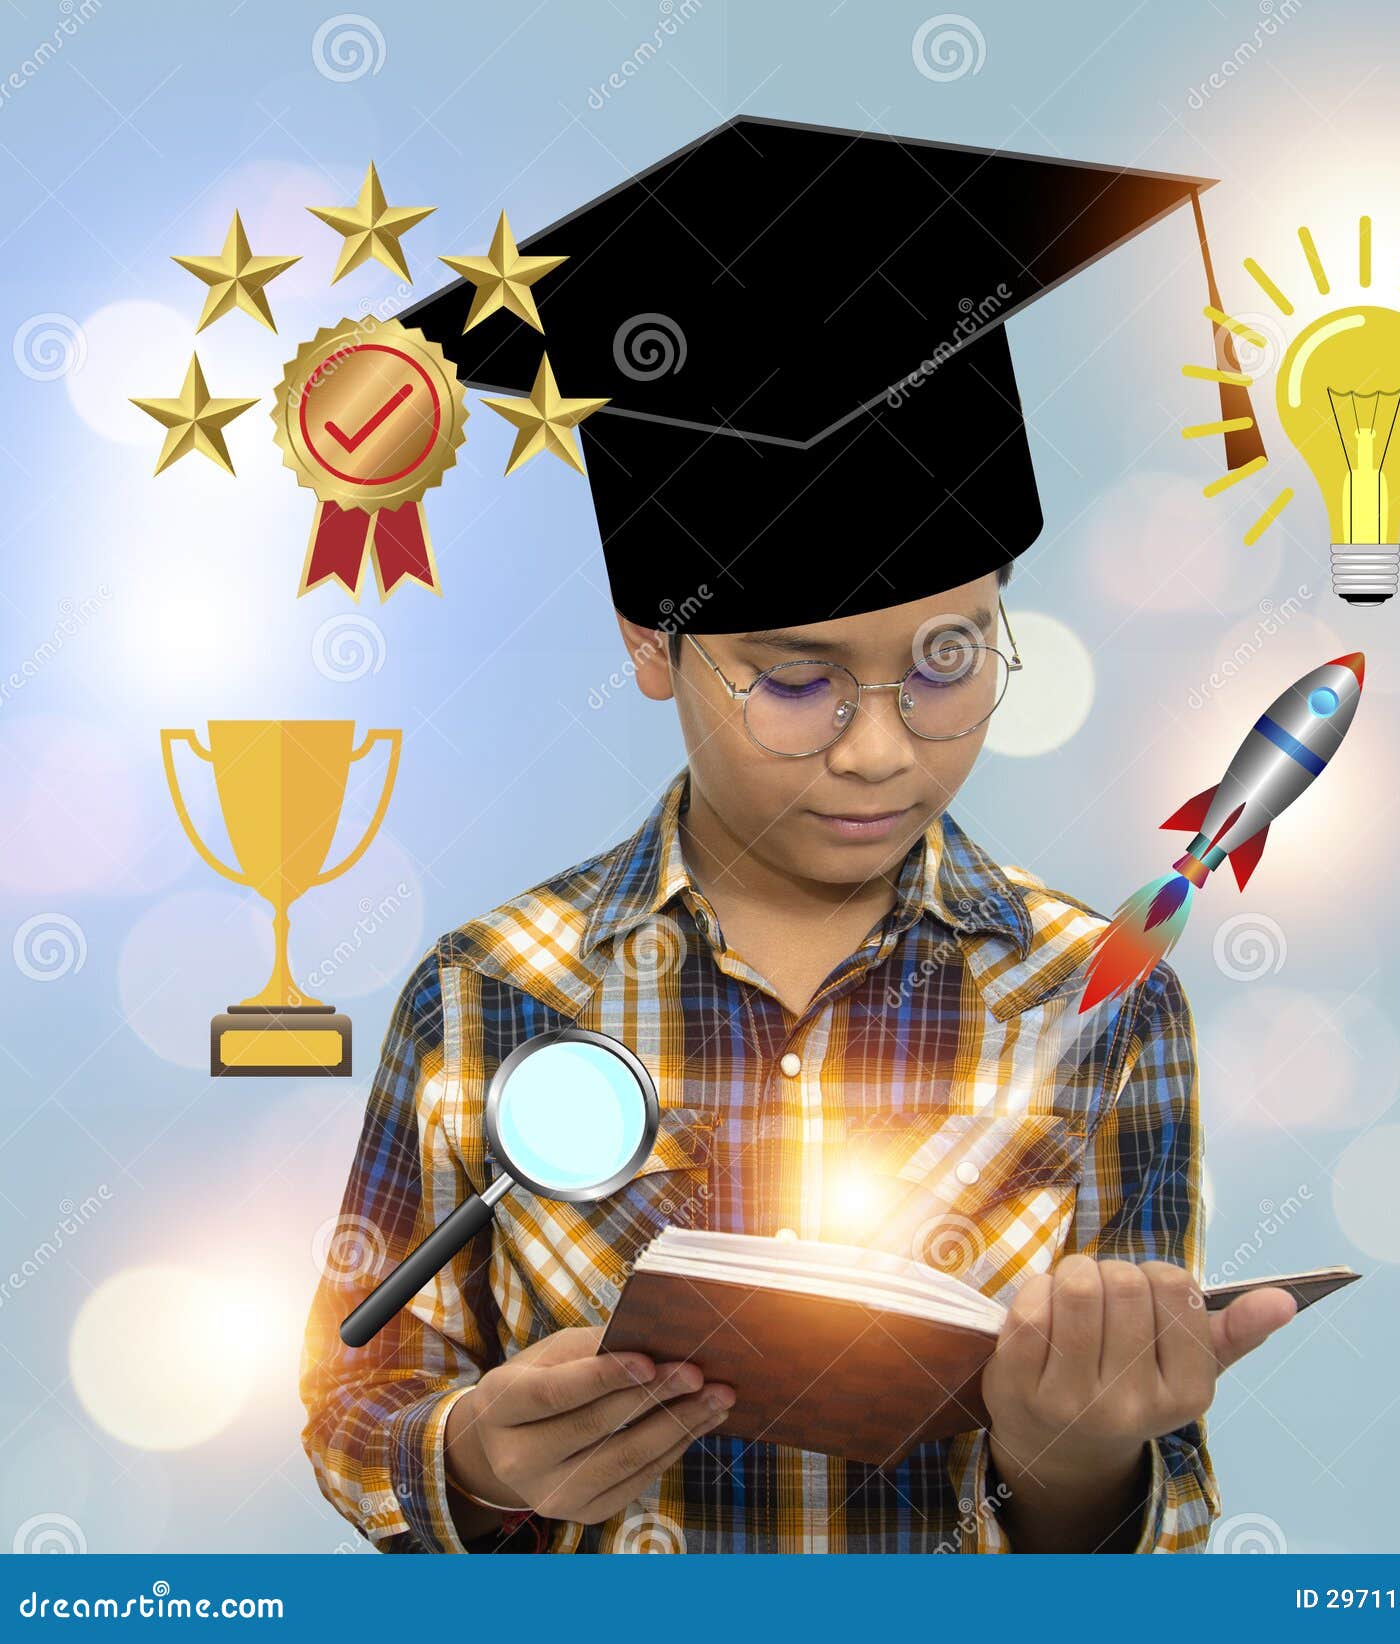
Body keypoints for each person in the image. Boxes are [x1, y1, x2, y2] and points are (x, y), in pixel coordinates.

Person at [301, 117, 1293, 1553]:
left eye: (950, 657)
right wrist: (468, 1460)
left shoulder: (1109, 995)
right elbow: (356, 1392)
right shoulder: (489, 990)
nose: (883, 745)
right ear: (655, 641)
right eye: (793, 678)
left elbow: (1162, 1496)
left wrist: (1074, 1464)